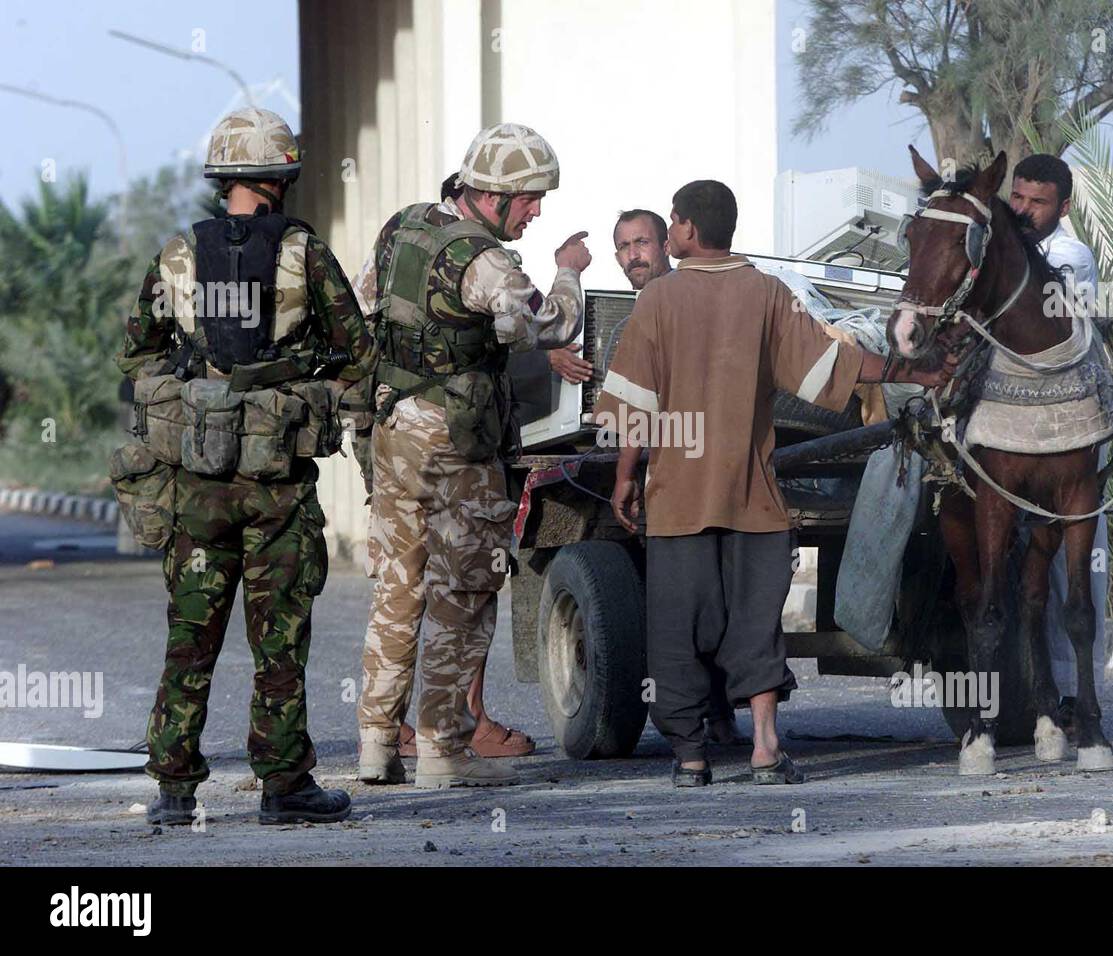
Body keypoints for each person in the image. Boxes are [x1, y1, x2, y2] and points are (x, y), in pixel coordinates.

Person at [594, 180, 952, 787]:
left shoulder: (656, 303)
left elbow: (634, 407)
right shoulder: (767, 293)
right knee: (758, 622)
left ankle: (690, 758)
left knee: (678, 628)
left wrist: (626, 477)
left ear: (685, 229)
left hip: (679, 500)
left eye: (672, 223)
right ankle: (764, 747)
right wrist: (916, 370)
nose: (668, 234)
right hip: (754, 499)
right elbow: (834, 368)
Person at [116, 107, 376, 825]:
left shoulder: (177, 255)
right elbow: (358, 358)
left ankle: (173, 792)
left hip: (196, 487)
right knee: (280, 642)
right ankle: (285, 787)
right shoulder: (304, 254)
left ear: (221, 177)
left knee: (189, 639)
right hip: (278, 491)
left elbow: (136, 356)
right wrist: (308, 399)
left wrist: (186, 397)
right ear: (279, 177)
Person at [354, 123, 589, 788]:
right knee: (463, 594)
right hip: (458, 445)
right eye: (530, 199)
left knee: (397, 591)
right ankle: (442, 753)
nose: (537, 211)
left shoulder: (403, 227)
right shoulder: (487, 262)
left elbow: (365, 304)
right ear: (491, 196)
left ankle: (375, 745)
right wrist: (568, 272)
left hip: (393, 434)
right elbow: (543, 326)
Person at [1008, 153, 1108, 734]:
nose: (1023, 209)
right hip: (1010, 423)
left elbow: (1054, 327)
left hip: (1067, 424)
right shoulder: (1002, 247)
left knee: (1078, 573)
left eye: (1037, 202)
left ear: (1062, 208)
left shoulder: (1070, 258)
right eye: (1017, 198)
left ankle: (1074, 696)